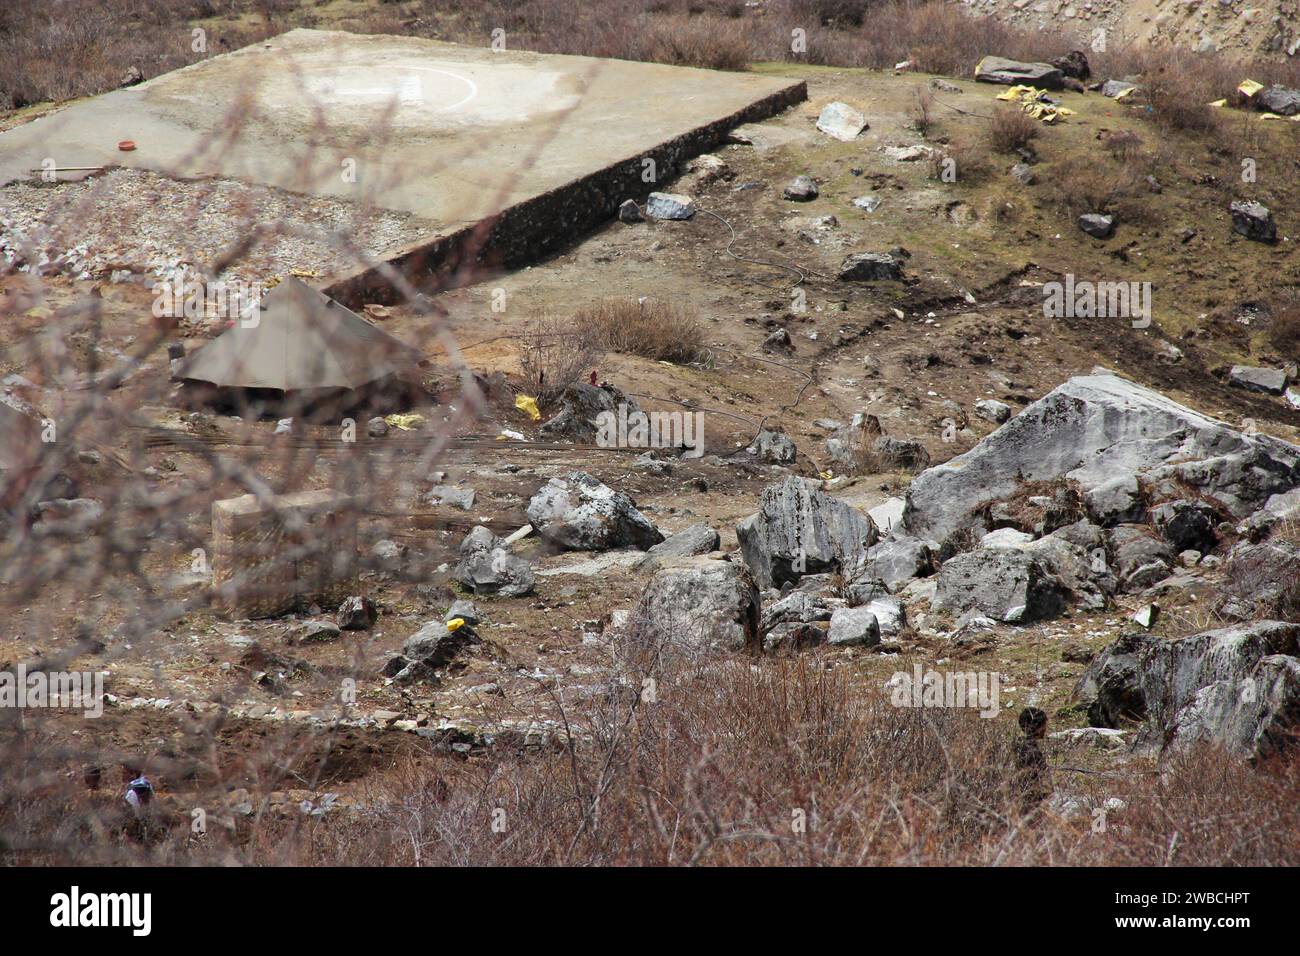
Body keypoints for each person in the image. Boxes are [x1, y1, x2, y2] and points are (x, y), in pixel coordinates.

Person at [1013, 707, 1051, 810]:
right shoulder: (1033, 753)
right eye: (1044, 724)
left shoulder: (1017, 745)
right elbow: (1041, 783)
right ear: (1038, 728)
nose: (1046, 728)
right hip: (1032, 805)